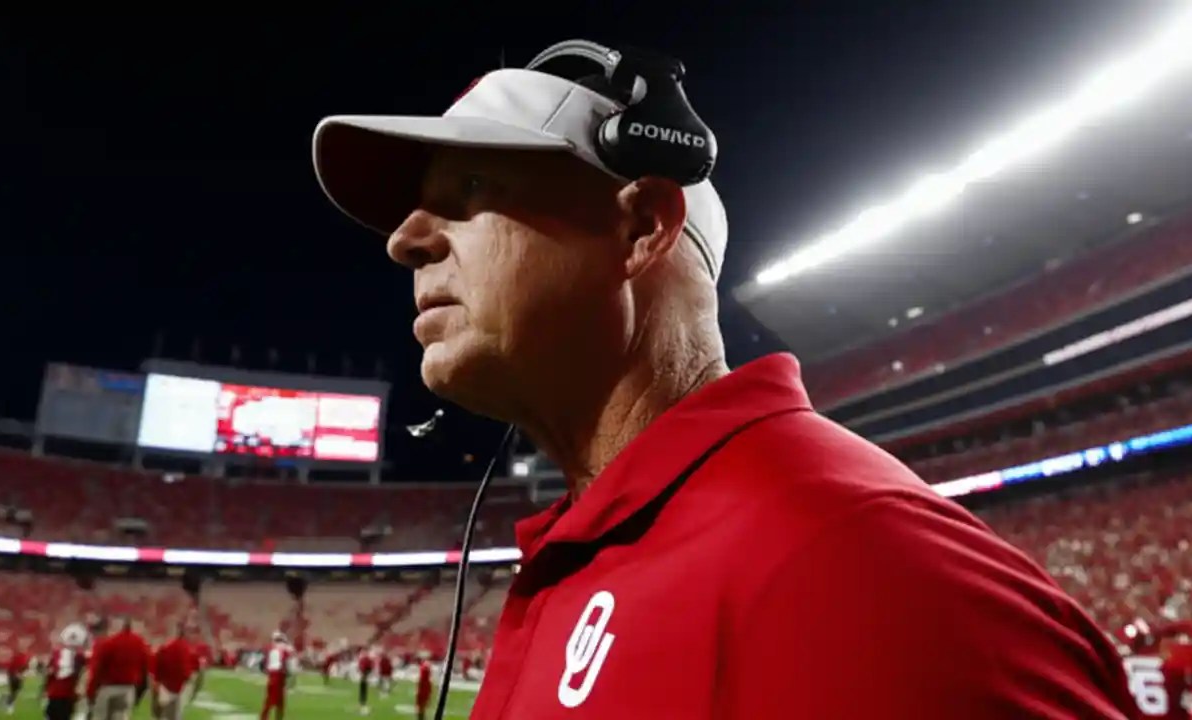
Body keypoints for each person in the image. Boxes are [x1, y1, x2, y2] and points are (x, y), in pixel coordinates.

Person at [311, 38, 1139, 719]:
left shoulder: (850, 560)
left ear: (640, 229)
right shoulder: (605, 543)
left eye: (472, 187)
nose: (406, 240)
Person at [87, 617, 151, 720]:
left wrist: (91, 690)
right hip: (128, 688)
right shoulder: (140, 643)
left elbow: (97, 668)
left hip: (107, 687)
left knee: (100, 717)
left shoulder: (109, 642)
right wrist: (140, 691)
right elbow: (145, 667)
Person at [150, 623, 199, 720]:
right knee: (176, 714)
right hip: (182, 686)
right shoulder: (188, 649)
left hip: (166, 685)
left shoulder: (166, 647)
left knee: (162, 714)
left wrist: (157, 681)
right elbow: (193, 669)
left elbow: (157, 664)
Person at [43, 624, 88, 720]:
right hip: (67, 694)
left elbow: (50, 674)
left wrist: (45, 688)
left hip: (58, 693)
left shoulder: (57, 654)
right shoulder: (80, 656)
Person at [259, 631, 295, 720]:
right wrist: (290, 675)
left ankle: (266, 717)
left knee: (275, 701)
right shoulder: (285, 648)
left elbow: (264, 663)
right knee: (275, 702)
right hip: (279, 676)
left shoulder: (270, 648)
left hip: (272, 675)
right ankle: (265, 718)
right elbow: (288, 661)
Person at [0, 646, 29, 714]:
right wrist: (16, 673)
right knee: (14, 691)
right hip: (13, 675)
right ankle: (8, 706)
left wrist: (23, 673)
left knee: (16, 691)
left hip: (18, 675)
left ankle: (5, 704)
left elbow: (25, 666)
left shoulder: (25, 656)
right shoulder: (16, 656)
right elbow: (11, 666)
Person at [414, 651, 433, 720]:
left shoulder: (423, 667)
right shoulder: (426, 665)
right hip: (426, 688)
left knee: (419, 707)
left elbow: (421, 679)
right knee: (423, 707)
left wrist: (417, 689)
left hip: (423, 689)